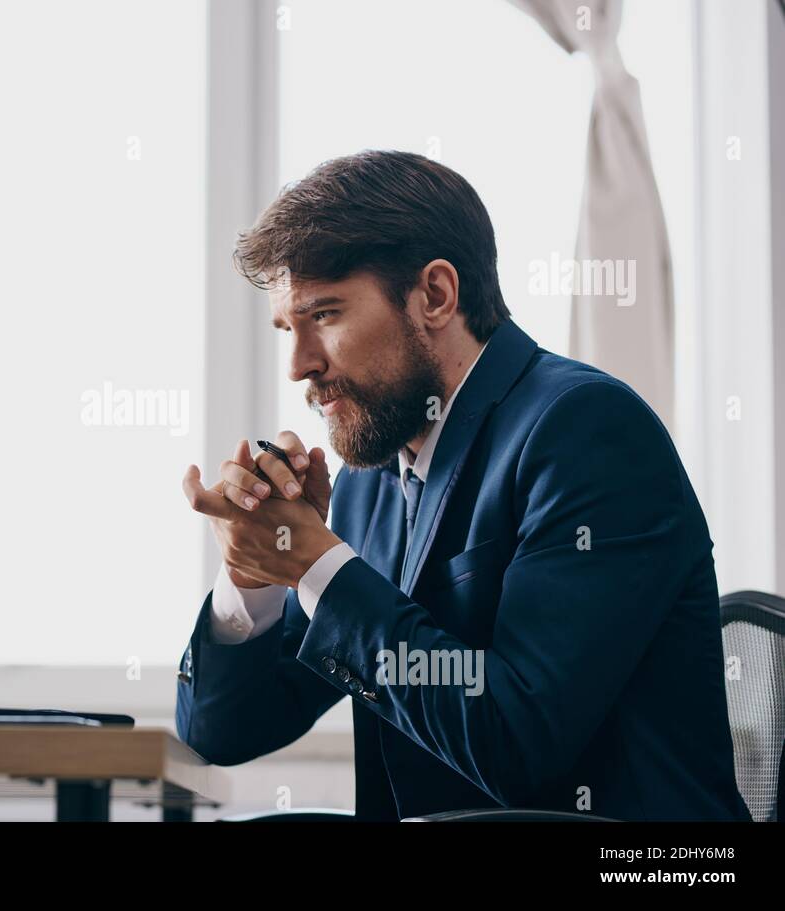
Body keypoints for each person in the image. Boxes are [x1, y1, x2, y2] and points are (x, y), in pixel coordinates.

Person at [176, 150, 750, 821]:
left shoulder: (587, 431)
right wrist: (254, 577)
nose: (300, 365)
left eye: (324, 316)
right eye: (288, 330)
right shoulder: (372, 478)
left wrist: (316, 563)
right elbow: (221, 730)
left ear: (436, 295)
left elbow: (514, 739)